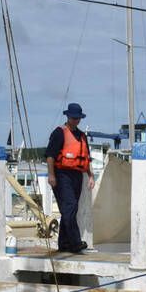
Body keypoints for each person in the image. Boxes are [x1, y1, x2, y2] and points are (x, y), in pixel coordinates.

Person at [45, 102, 92, 253]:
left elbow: (87, 158)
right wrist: (51, 175)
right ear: (67, 116)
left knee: (70, 210)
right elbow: (50, 156)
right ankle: (75, 242)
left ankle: (64, 244)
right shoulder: (59, 133)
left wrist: (91, 176)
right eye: (73, 117)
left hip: (77, 175)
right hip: (61, 174)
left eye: (78, 118)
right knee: (70, 207)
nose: (75, 120)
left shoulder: (82, 136)